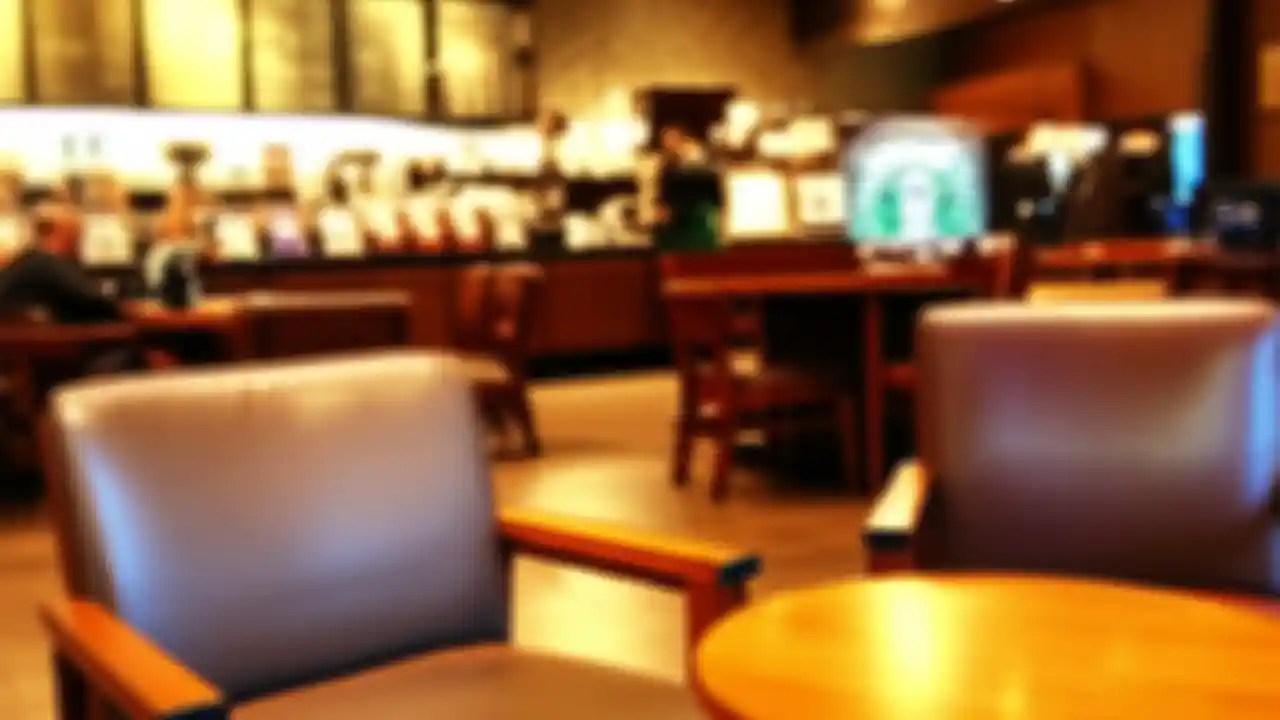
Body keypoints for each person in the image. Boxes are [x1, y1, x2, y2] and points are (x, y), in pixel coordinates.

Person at [0, 213, 122, 323]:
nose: (77, 245)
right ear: (56, 232)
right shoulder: (46, 262)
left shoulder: (28, 261)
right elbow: (91, 299)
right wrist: (126, 307)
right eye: (75, 236)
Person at [652, 125, 721, 253]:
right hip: (677, 226)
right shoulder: (667, 167)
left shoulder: (698, 165)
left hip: (695, 223)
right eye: (666, 142)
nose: (668, 146)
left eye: (672, 140)